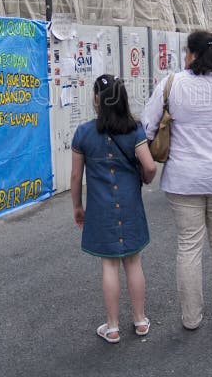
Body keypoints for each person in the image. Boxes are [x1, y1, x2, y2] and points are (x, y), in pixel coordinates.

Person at [142, 30, 212, 330]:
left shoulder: (172, 83)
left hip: (183, 179)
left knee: (189, 246)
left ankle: (191, 318)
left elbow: (147, 125)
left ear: (191, 54)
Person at [70, 74, 157, 343]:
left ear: (97, 99)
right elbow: (150, 166)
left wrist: (77, 207)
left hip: (100, 208)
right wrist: (146, 178)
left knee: (109, 264)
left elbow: (75, 177)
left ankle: (112, 327)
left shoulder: (83, 133)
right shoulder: (134, 130)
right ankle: (140, 321)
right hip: (130, 204)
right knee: (133, 261)